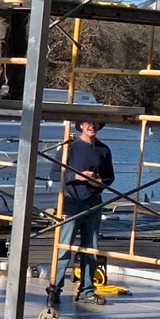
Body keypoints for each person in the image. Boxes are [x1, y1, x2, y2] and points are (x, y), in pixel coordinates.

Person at [54, 117, 114, 302]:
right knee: (64, 246)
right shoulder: (69, 148)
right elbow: (55, 174)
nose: (92, 126)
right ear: (80, 125)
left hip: (94, 202)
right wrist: (78, 176)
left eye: (96, 123)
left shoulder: (104, 149)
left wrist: (99, 181)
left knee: (91, 248)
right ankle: (55, 289)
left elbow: (110, 177)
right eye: (88, 122)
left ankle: (87, 290)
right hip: (72, 201)